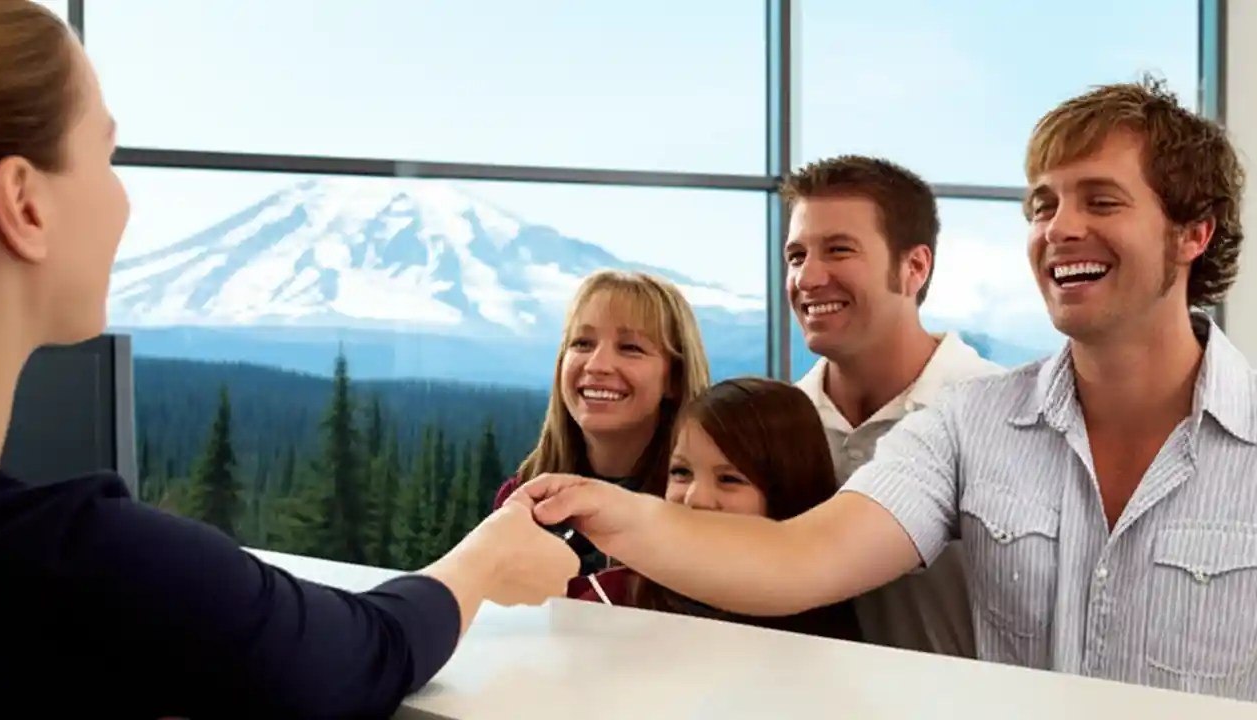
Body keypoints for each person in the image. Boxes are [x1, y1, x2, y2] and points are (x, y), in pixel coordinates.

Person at [513, 77, 1257, 701]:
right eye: (1042, 205)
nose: (1058, 228)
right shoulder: (970, 425)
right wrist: (602, 507)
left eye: (1100, 200)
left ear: (1193, 233)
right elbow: (797, 560)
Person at [0, 3, 578, 717]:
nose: (123, 199)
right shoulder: (76, 563)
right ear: (25, 203)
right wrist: (487, 560)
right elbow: (359, 654)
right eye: (107, 157)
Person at [783, 154, 1001, 657]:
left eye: (838, 250)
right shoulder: (781, 422)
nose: (809, 278)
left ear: (915, 267)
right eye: (796, 256)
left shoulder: (998, 418)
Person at [575, 377, 860, 641]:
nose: (695, 499)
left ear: (790, 494)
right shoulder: (611, 601)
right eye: (681, 472)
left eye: (729, 479)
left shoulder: (831, 640)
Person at [490, 269, 711, 588]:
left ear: (674, 379)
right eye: (582, 343)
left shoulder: (699, 508)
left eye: (630, 348)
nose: (597, 365)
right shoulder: (521, 500)